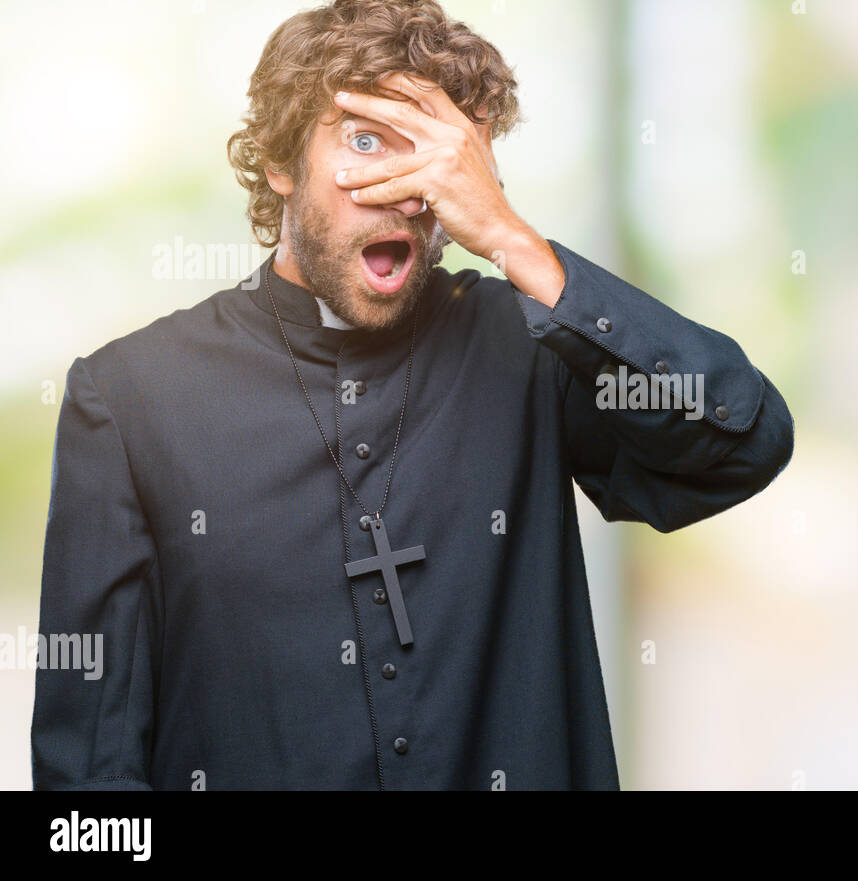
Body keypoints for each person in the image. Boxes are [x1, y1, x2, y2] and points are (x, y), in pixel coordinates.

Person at [31, 0, 794, 790]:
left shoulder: (531, 351)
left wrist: (511, 239)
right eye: (365, 142)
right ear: (281, 161)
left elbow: (743, 439)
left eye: (433, 154)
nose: (402, 187)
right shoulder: (127, 399)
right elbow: (86, 791)